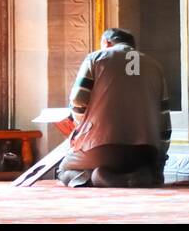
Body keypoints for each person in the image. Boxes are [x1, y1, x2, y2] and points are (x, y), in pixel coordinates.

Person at [56, 28, 171, 188]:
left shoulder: (95, 59)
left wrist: (80, 126)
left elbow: (78, 100)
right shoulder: (155, 66)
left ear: (107, 43)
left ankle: (96, 177)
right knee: (143, 164)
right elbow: (164, 118)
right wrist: (159, 156)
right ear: (132, 45)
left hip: (101, 150)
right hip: (146, 152)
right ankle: (144, 174)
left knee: (63, 169)